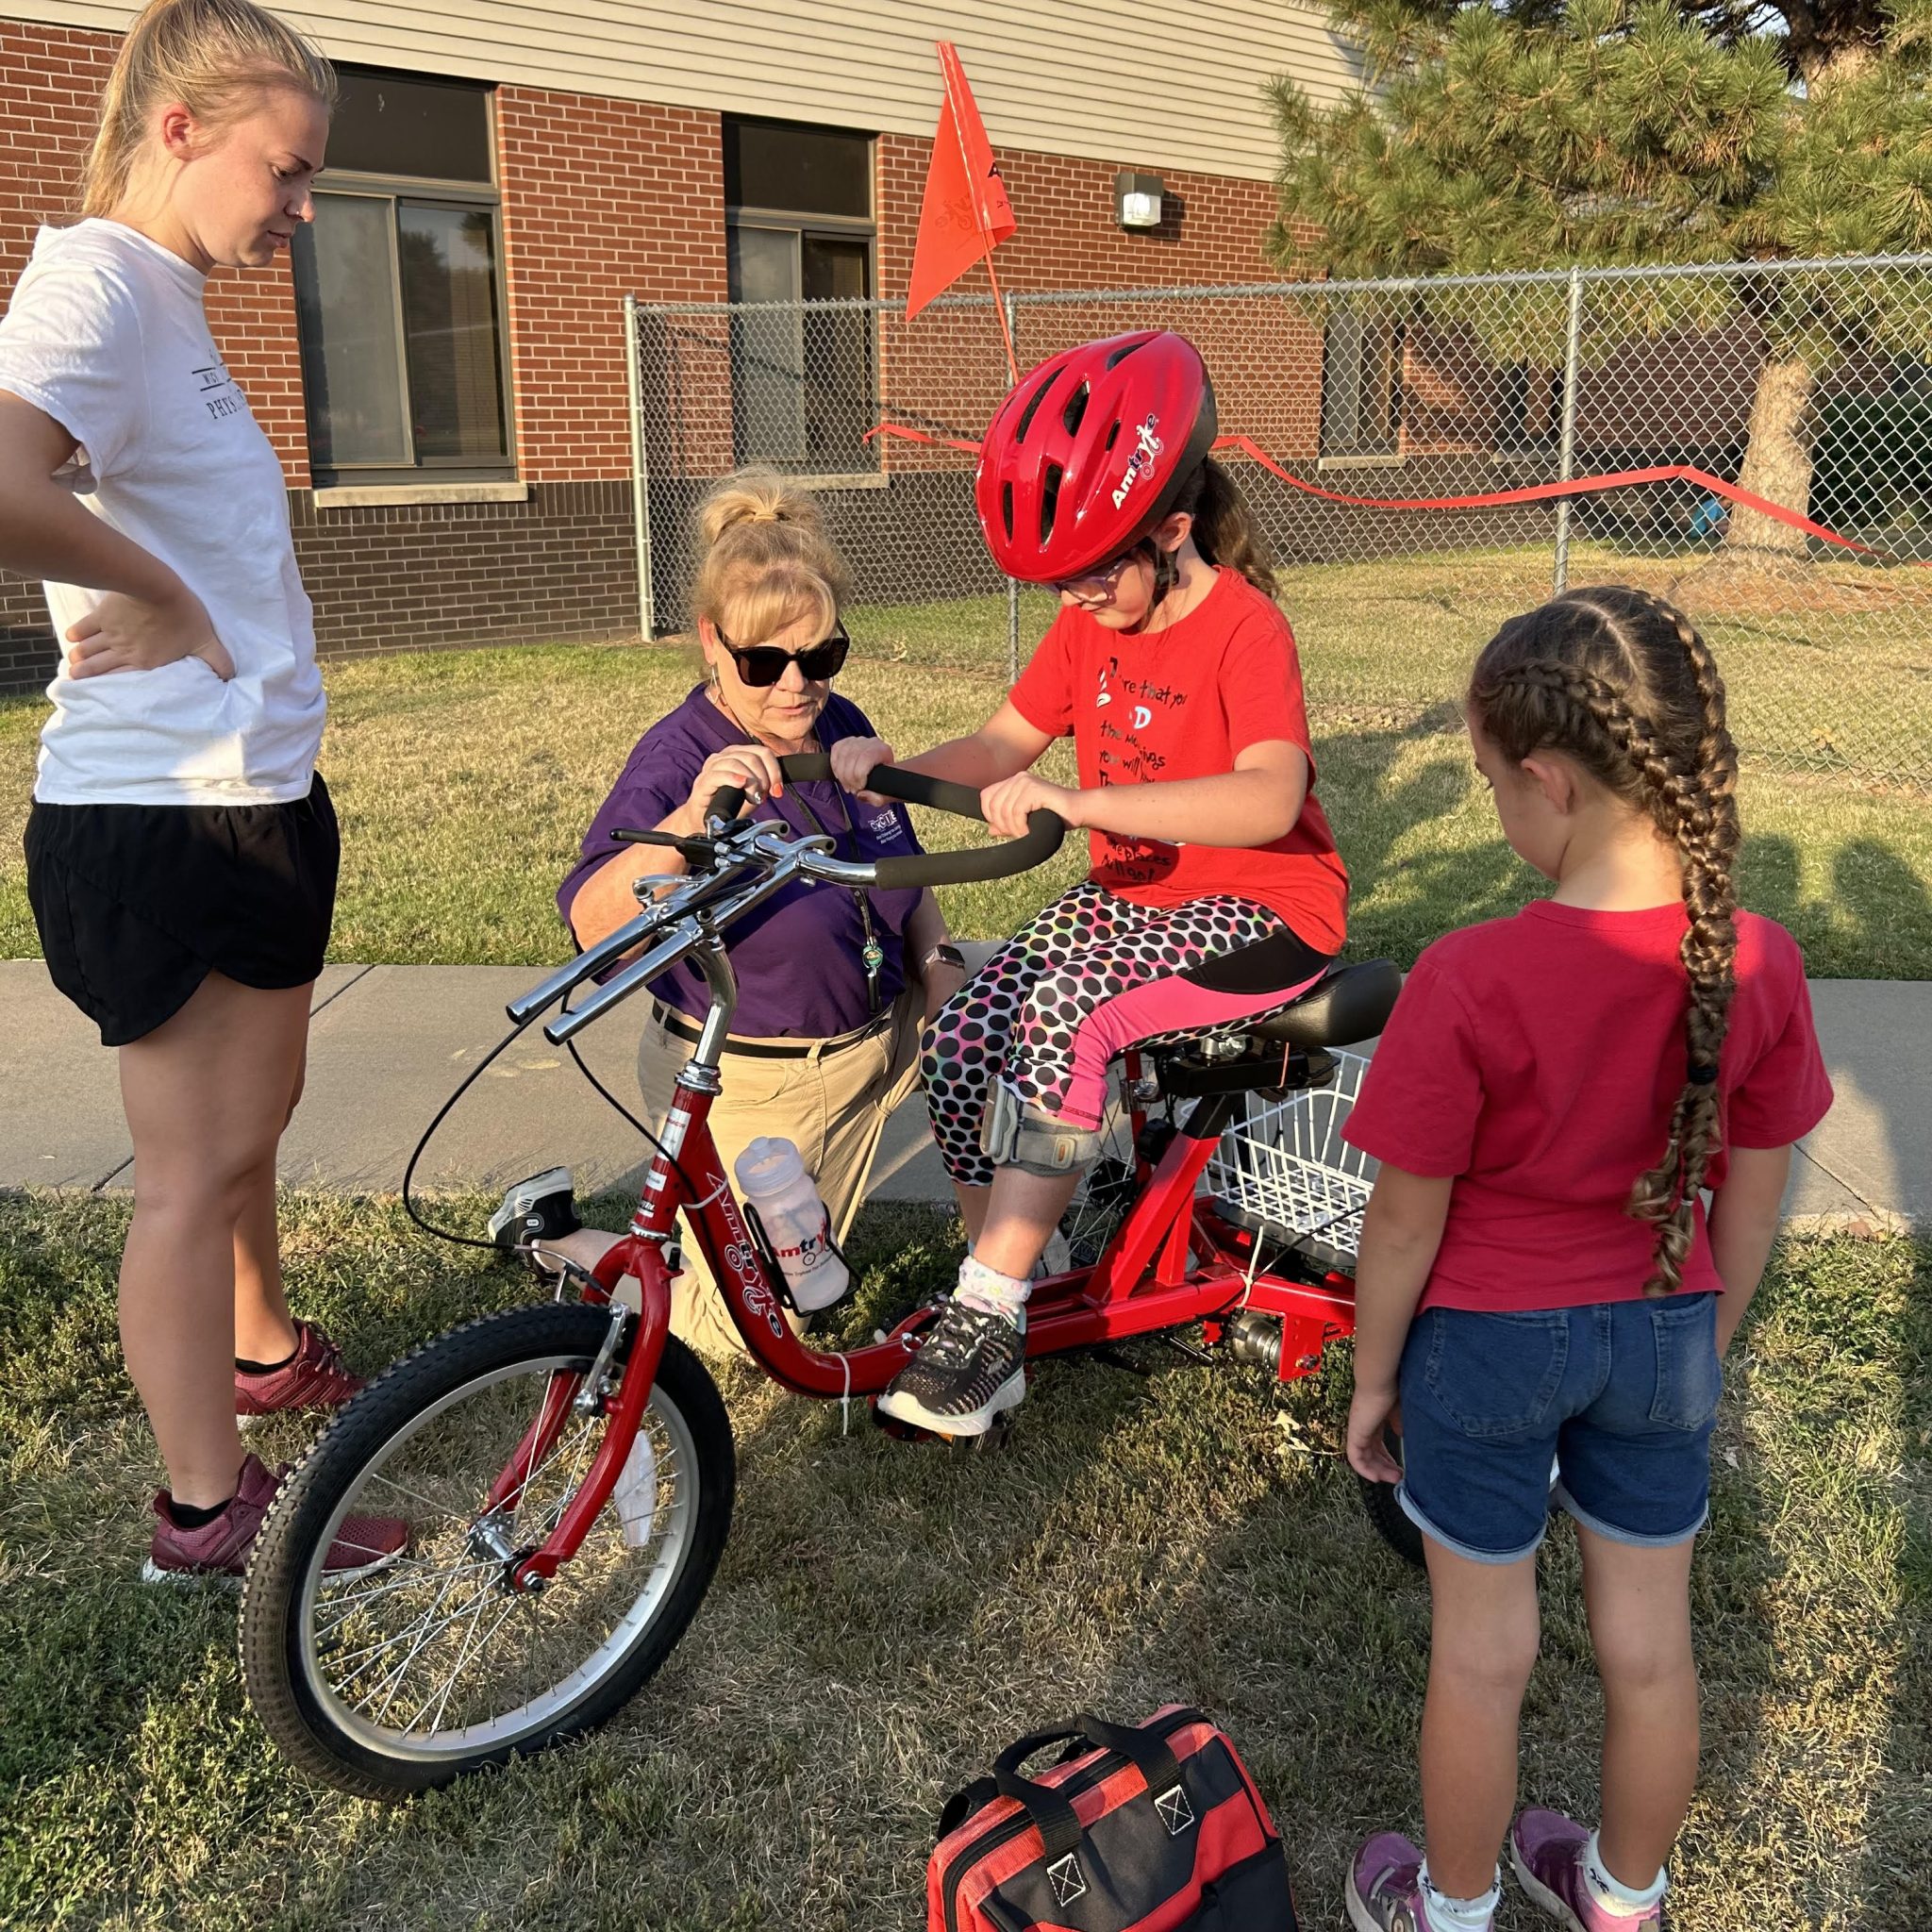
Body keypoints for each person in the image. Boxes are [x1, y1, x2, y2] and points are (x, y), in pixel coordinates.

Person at [1338, 587, 1833, 1931]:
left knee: (1482, 1656)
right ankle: (1625, 1901)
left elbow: (1403, 1220)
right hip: (1664, 1339)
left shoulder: (1471, 975)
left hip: (1487, 1346)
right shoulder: (1762, 963)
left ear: (1547, 781)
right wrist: (1705, 1345)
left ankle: (1450, 1911)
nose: (1499, 808)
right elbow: (1758, 1183)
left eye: (1495, 783)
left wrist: (1373, 1380)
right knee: (1650, 1651)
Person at [0, 0, 402, 1580]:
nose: (300, 211)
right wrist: (153, 590)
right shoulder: (95, 282)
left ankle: (259, 1349)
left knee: (252, 1132)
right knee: (185, 1173)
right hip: (156, 813)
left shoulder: (164, 296)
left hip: (248, 793)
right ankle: (201, 1509)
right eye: (286, 171)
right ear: (180, 129)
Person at [827, 330, 1352, 1437]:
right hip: (1137, 908)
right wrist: (893, 771)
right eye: (1054, 578)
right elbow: (1000, 742)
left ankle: (986, 1306)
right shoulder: (1084, 627)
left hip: (1266, 914)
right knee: (966, 1030)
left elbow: (1267, 795)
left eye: (1090, 568)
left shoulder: (1243, 628)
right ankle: (1007, 1293)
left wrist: (1087, 803)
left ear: (1171, 529)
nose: (1072, 596)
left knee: (1070, 1013)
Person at [494, 470, 964, 1358]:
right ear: (713, 644)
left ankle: (1008, 1280)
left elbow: (898, 871)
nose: (797, 687)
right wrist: (688, 820)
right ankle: (555, 1236)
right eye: (765, 663)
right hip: (761, 1079)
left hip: (884, 1031)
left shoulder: (835, 722)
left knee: (1017, 1026)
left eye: (820, 656)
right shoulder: (679, 759)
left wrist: (940, 969)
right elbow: (593, 922)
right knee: (747, 1331)